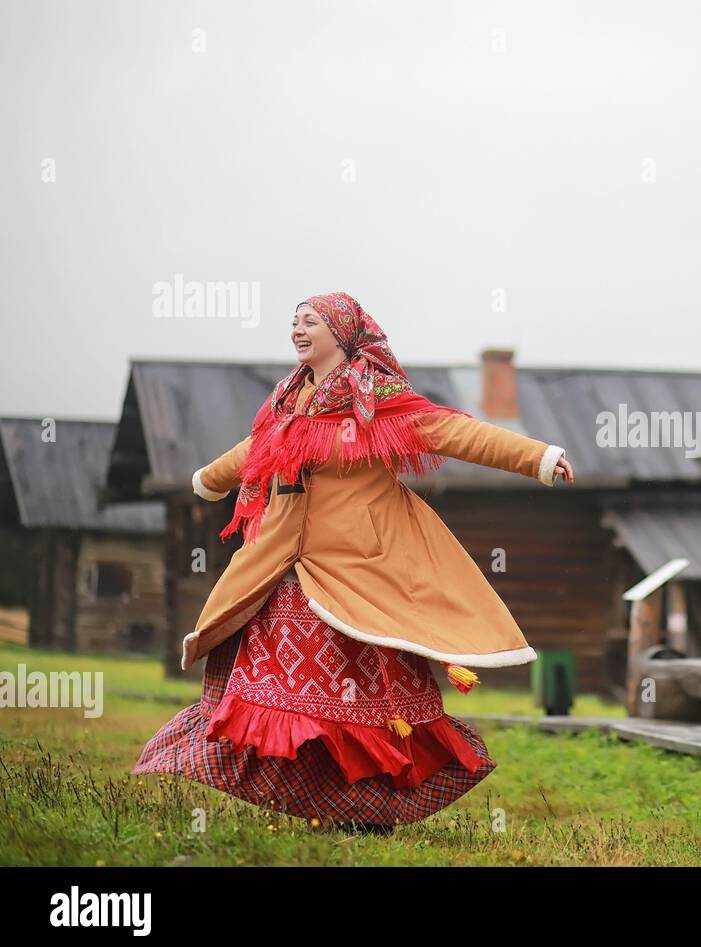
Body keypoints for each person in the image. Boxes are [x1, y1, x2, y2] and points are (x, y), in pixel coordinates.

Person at [132, 292, 574, 829]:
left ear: (341, 333)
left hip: (361, 572)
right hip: (286, 563)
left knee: (364, 698)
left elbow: (455, 432)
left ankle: (368, 808)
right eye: (293, 320)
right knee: (276, 686)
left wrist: (540, 458)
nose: (297, 329)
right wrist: (209, 479)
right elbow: (256, 449)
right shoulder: (287, 403)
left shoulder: (379, 405)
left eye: (310, 321)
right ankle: (294, 789)